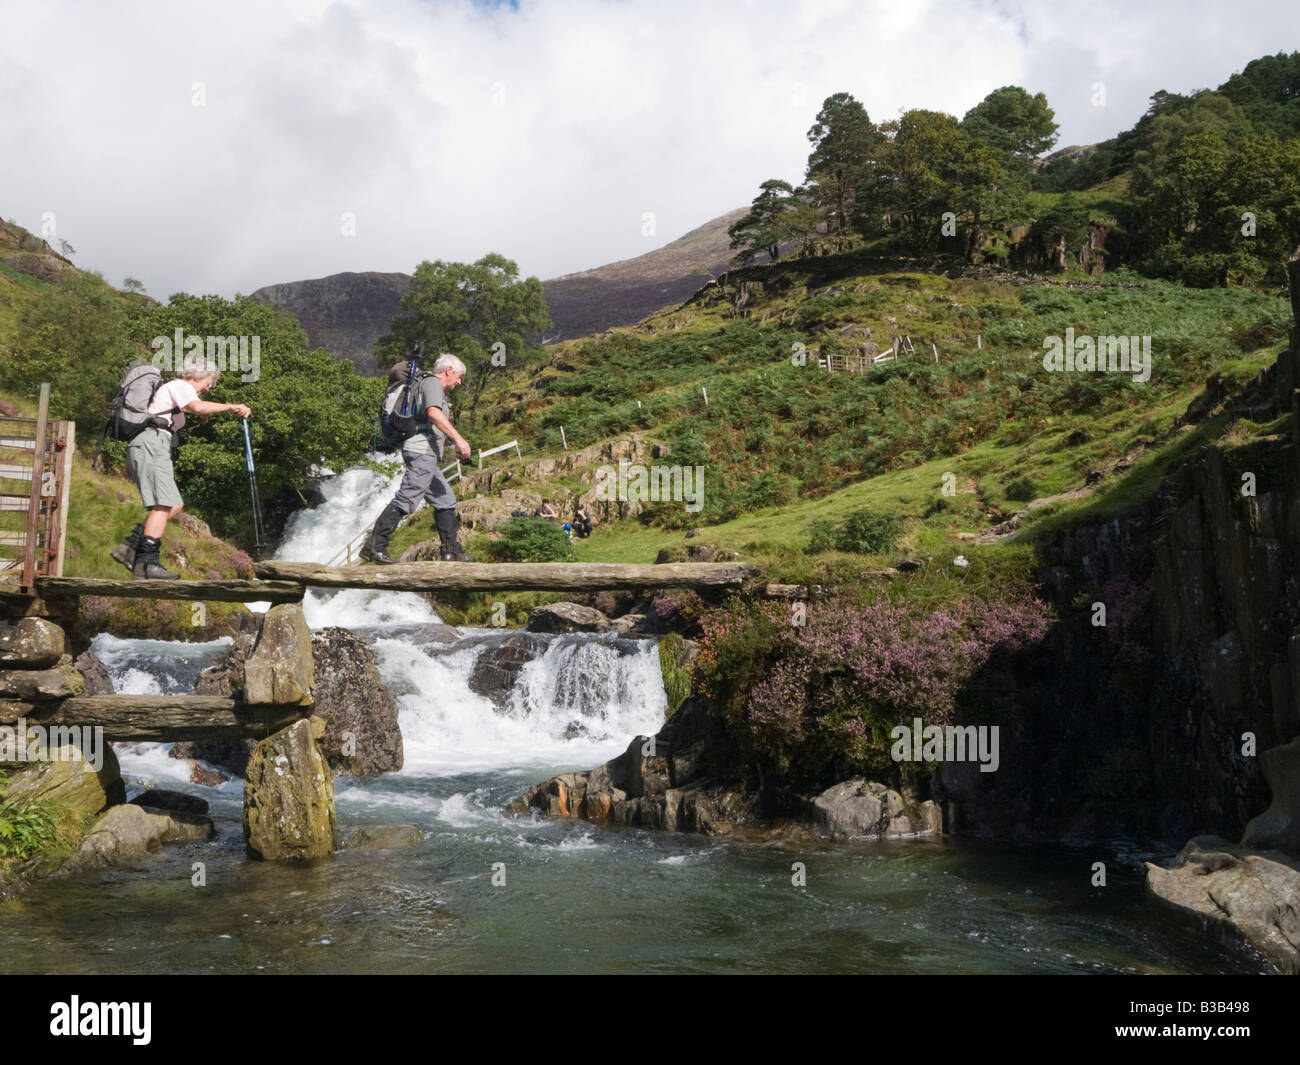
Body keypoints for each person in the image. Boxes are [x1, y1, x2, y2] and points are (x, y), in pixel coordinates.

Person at [111, 362, 251, 580]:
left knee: (174, 504)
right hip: (152, 443)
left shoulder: (174, 391)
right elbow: (198, 407)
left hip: (155, 445)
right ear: (196, 375)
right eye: (208, 384)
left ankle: (130, 547)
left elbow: (194, 410)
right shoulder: (180, 385)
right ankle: (146, 564)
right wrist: (231, 406)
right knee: (164, 504)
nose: (207, 389)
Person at [362, 352, 474, 564]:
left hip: (426, 454)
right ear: (449, 370)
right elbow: (433, 412)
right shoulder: (432, 383)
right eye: (459, 376)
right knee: (407, 498)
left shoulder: (427, 384)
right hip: (422, 452)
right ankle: (374, 546)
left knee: (445, 499)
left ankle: (451, 551)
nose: (459, 381)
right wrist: (459, 439)